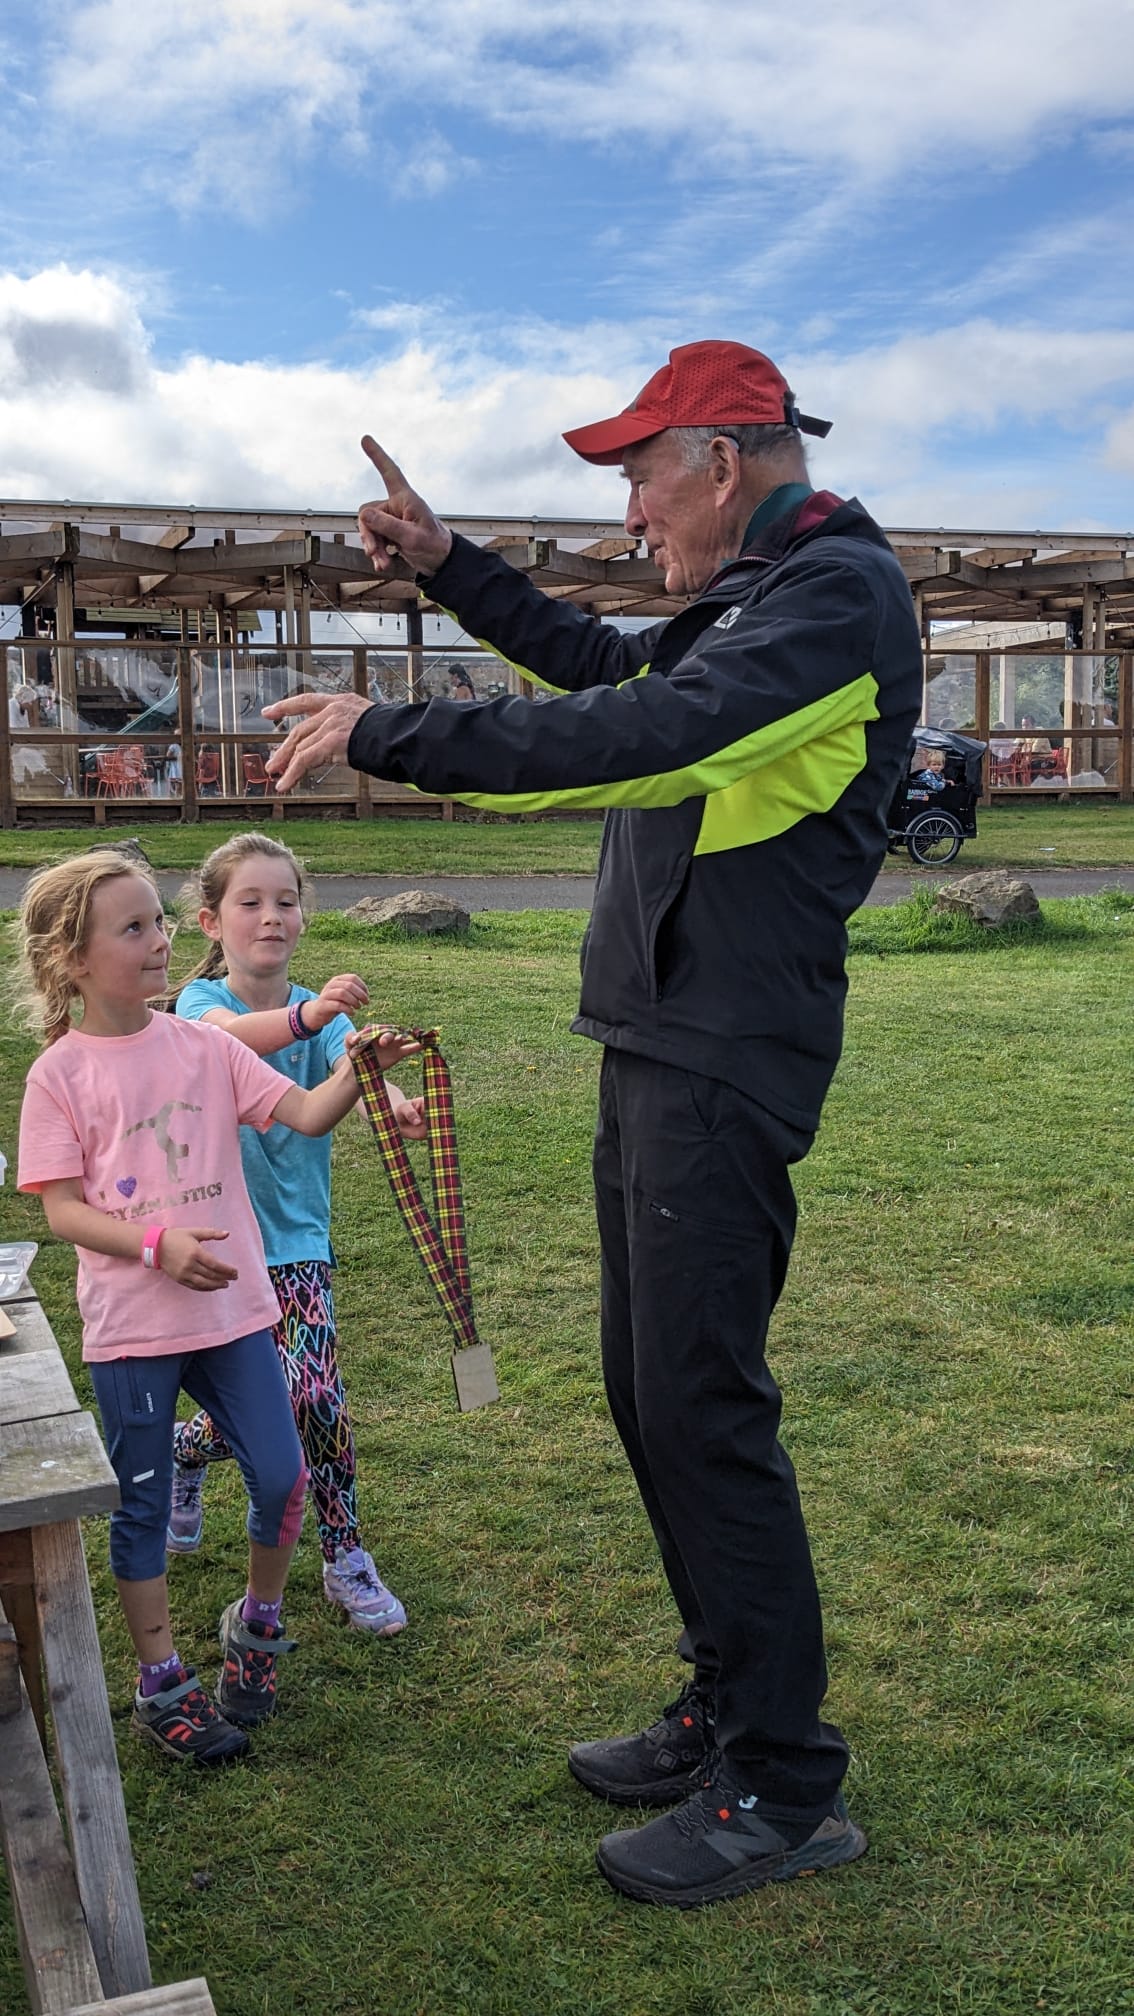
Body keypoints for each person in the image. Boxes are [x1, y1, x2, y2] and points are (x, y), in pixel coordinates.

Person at [262, 339, 923, 1907]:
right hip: (655, 1040)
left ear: (723, 456)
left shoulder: (836, 600)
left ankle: (784, 1783)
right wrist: (449, 567)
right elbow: (602, 668)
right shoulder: (749, 599)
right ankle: (724, 1702)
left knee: (700, 1405)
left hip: (725, 1055)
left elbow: (634, 739)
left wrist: (389, 734)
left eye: (637, 471)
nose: (628, 507)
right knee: (646, 1397)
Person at [15, 851, 418, 1766]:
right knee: (143, 1503)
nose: (160, 941)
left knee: (282, 1476)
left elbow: (309, 1114)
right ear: (71, 960)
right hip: (134, 1327)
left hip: (234, 1312)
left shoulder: (206, 1044)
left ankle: (259, 1627)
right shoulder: (61, 1076)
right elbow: (64, 1209)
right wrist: (158, 1246)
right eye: (134, 929)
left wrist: (360, 1065)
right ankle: (162, 1679)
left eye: (159, 922)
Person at [167, 832, 423, 1637]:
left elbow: (338, 1078)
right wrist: (312, 1015)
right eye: (251, 902)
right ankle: (188, 1450)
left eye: (286, 901)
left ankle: (345, 1555)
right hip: (221, 1240)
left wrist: (386, 1089)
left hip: (298, 1235)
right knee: (273, 1400)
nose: (271, 916)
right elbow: (223, 1051)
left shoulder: (317, 1014)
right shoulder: (198, 1008)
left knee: (313, 1395)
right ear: (211, 921)